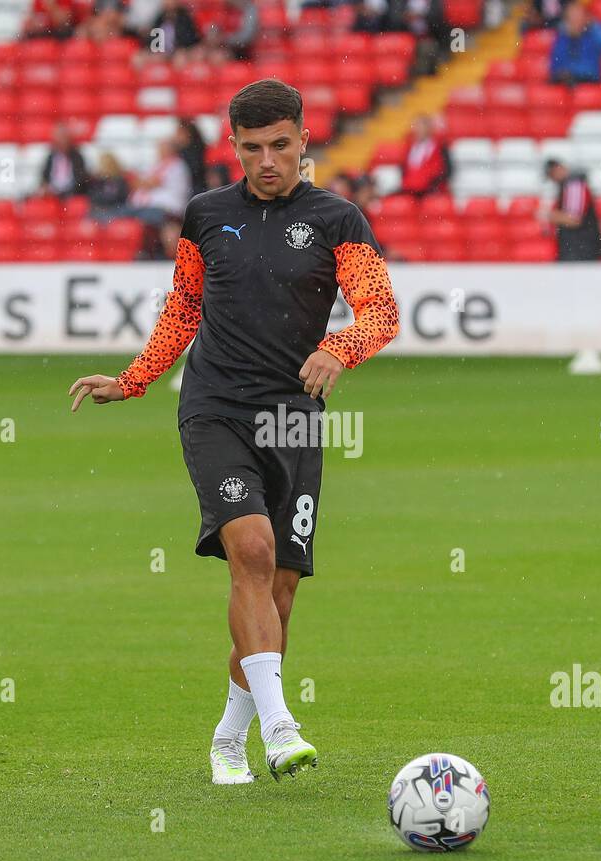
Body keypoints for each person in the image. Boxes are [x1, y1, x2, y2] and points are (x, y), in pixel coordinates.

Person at [67, 79, 400, 785]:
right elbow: (183, 310)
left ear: (304, 140)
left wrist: (337, 348)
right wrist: (134, 379)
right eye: (253, 148)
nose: (268, 161)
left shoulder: (340, 219)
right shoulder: (205, 215)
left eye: (281, 145)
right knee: (250, 549)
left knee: (278, 593)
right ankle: (280, 729)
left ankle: (228, 737)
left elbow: (381, 312)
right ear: (234, 147)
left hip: (293, 417)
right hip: (214, 407)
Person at [543, 158, 601, 261]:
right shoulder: (570, 184)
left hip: (581, 250)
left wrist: (550, 215)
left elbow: (574, 219)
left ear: (557, 169)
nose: (552, 179)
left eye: (551, 175)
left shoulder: (574, 184)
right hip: (578, 249)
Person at [550, 3, 601, 85]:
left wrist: (593, 25)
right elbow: (555, 66)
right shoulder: (561, 39)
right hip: (566, 83)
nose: (575, 21)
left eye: (578, 17)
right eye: (571, 18)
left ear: (585, 18)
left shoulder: (593, 35)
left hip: (589, 81)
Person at [399, 114, 449, 196]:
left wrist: (432, 184)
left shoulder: (440, 147)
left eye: (421, 126)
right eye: (416, 126)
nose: (418, 129)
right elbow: (403, 169)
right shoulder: (409, 147)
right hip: (410, 188)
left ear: (430, 128)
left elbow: (445, 171)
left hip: (429, 189)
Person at [38, 124, 90, 199]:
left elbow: (80, 180)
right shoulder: (51, 157)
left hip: (71, 194)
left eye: (63, 138)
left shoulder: (77, 157)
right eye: (59, 139)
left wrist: (65, 192)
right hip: (53, 194)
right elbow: (44, 177)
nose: (61, 142)